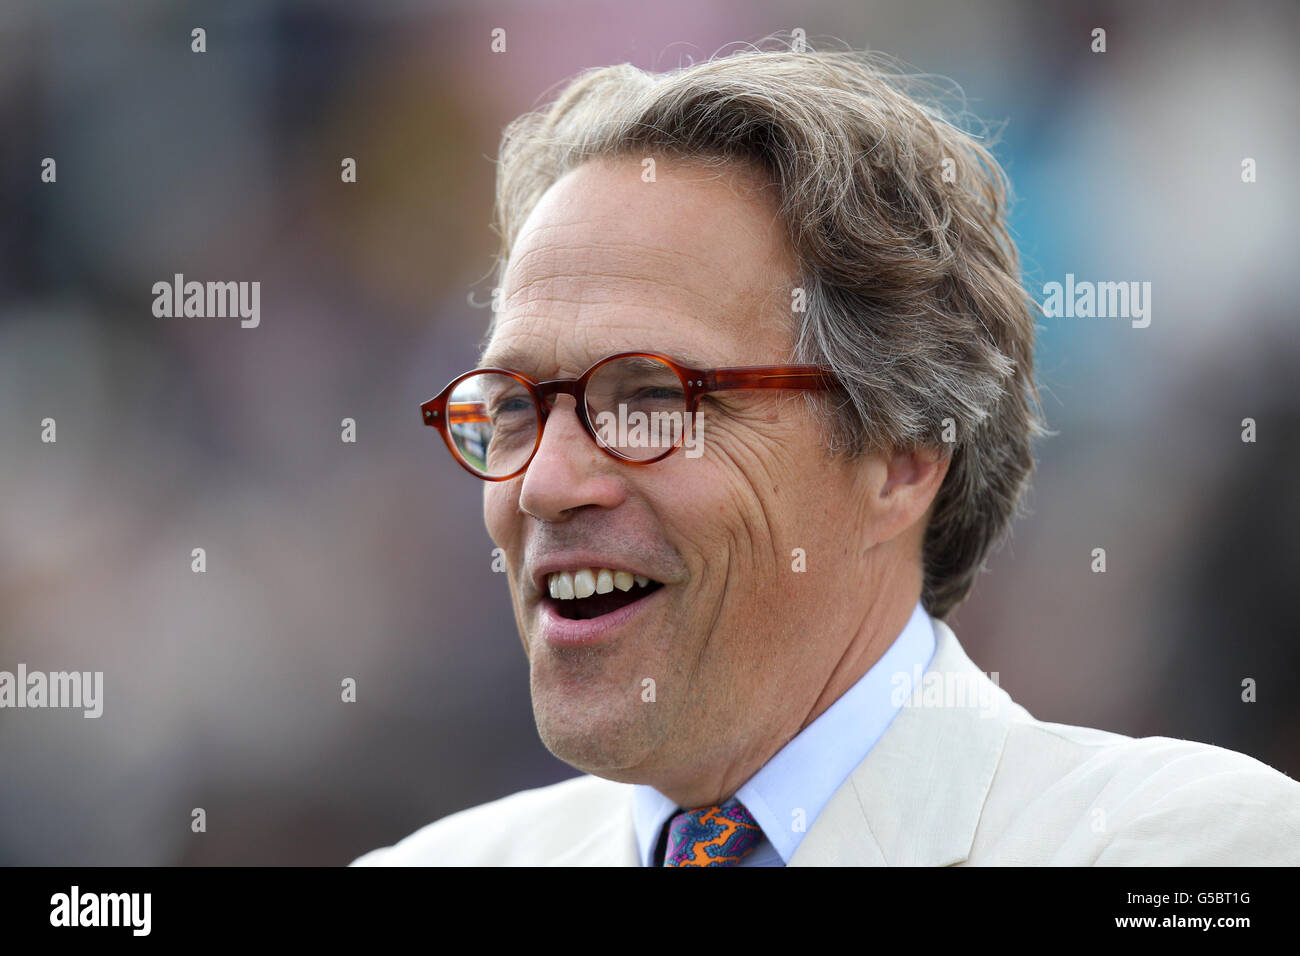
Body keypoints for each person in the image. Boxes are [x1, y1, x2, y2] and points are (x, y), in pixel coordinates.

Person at [352, 45, 1300, 865]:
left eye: (647, 399)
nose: (544, 484)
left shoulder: (1187, 854)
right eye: (513, 407)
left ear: (903, 454)